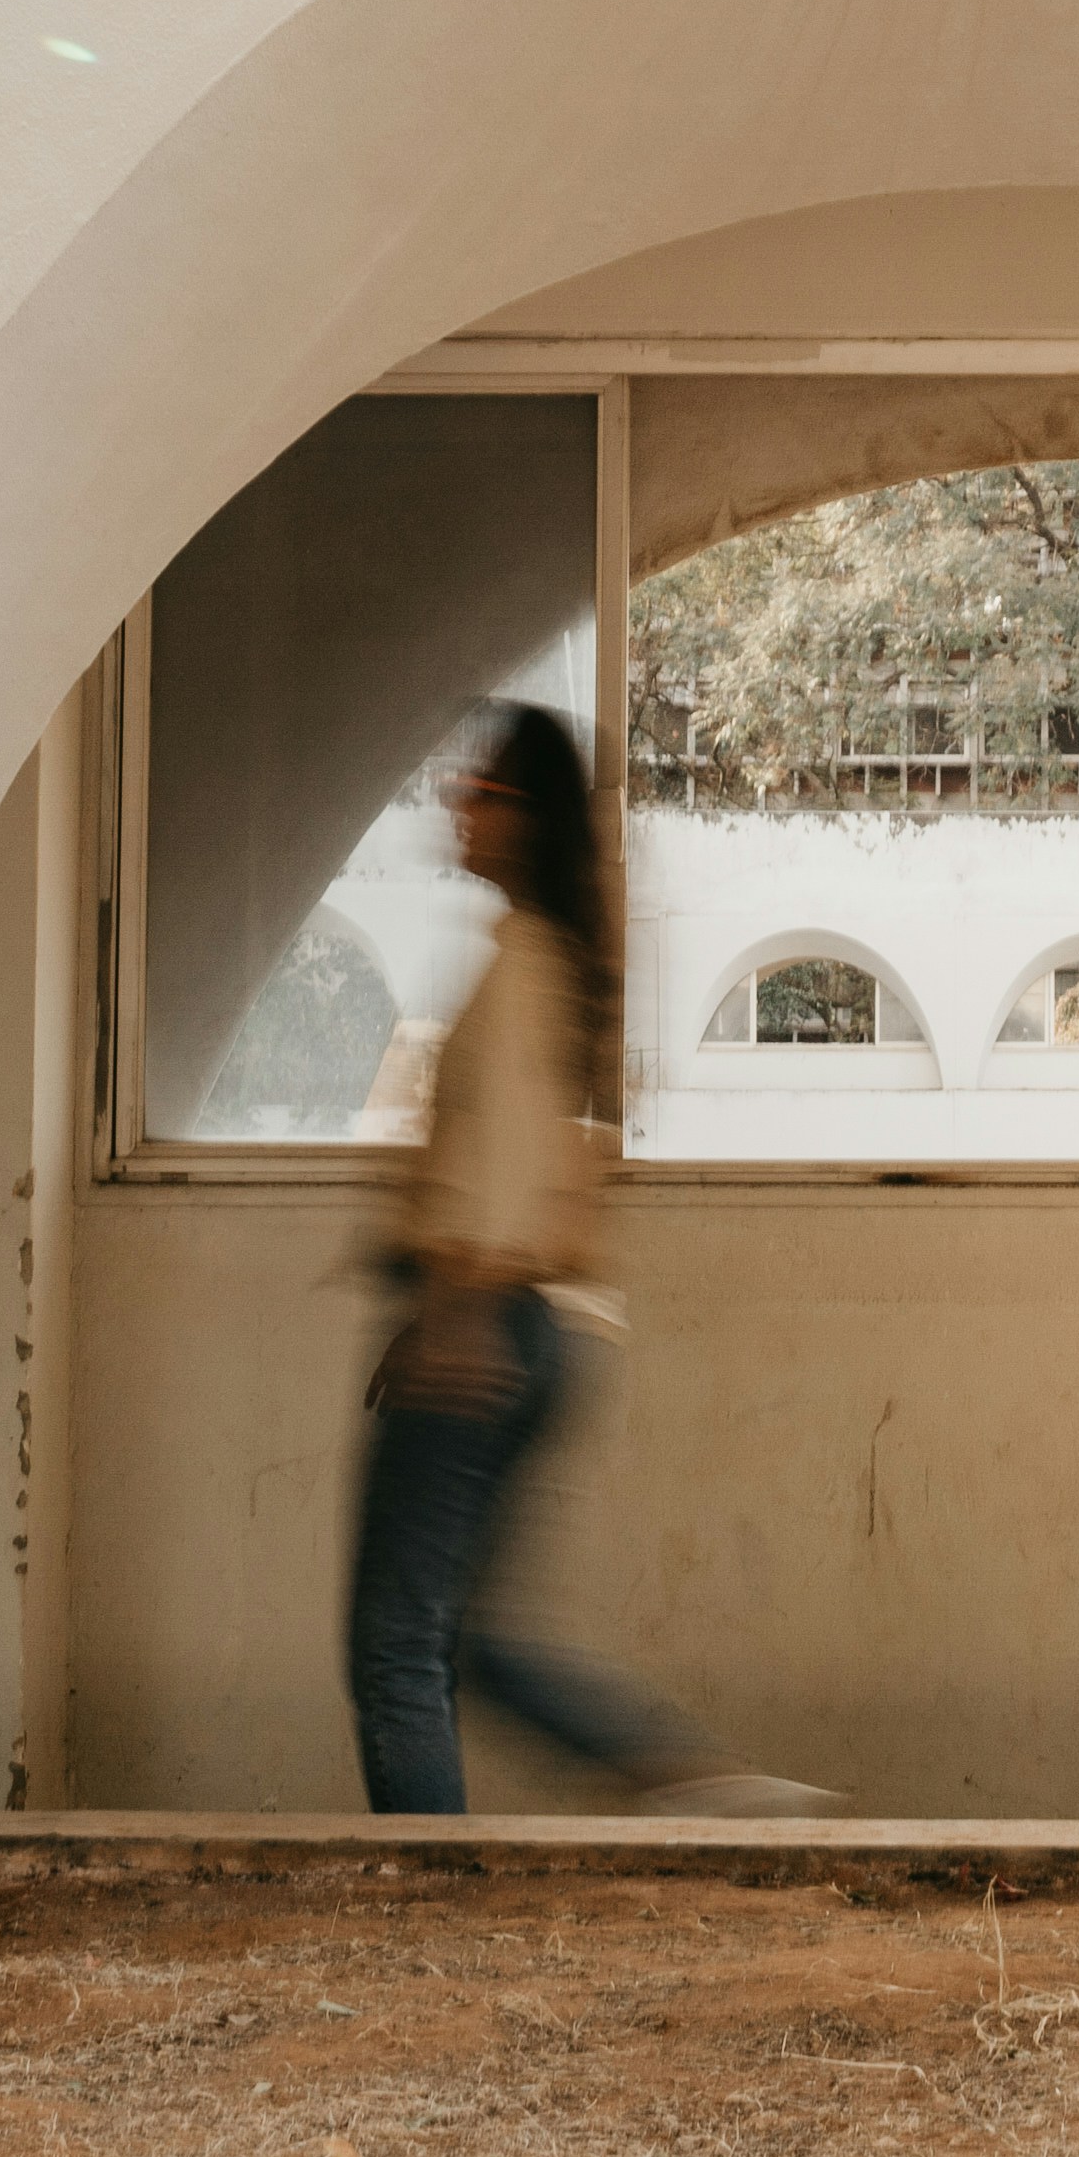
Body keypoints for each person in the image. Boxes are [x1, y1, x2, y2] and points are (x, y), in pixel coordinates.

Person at [344, 703, 827, 1819]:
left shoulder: (518, 967)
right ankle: (689, 1778)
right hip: (537, 1326)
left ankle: (437, 1904)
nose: (457, 806)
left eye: (482, 791)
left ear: (522, 820)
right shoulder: (559, 960)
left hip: (488, 1315)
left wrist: (453, 1313)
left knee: (394, 1648)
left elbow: (504, 1174)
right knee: (466, 1637)